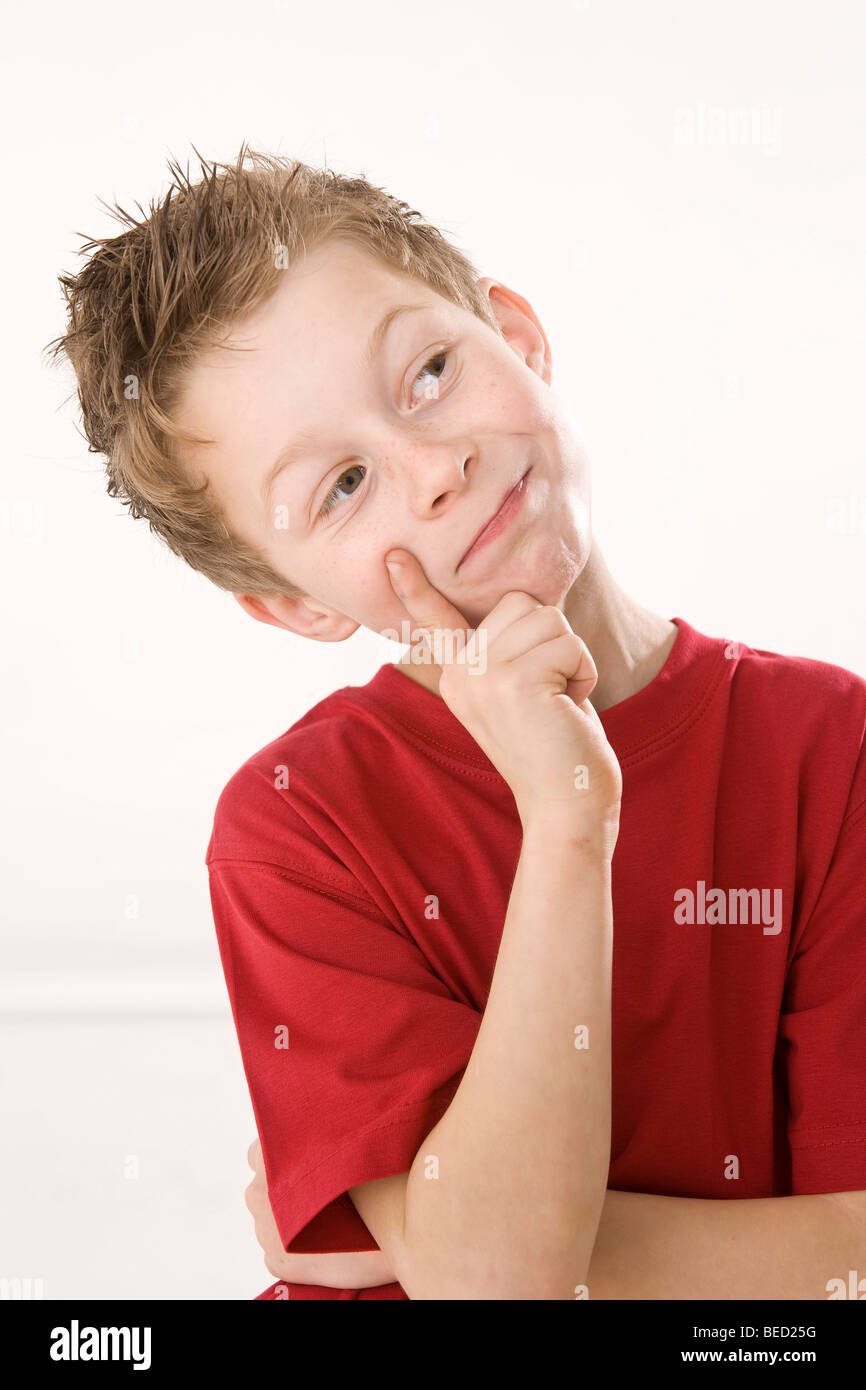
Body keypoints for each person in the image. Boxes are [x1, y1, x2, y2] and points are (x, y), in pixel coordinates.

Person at [46, 146, 866, 1300]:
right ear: (292, 603)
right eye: (340, 485)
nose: (433, 469)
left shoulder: (831, 747)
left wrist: (425, 1244)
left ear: (518, 338)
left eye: (428, 372)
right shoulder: (297, 826)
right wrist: (566, 820)